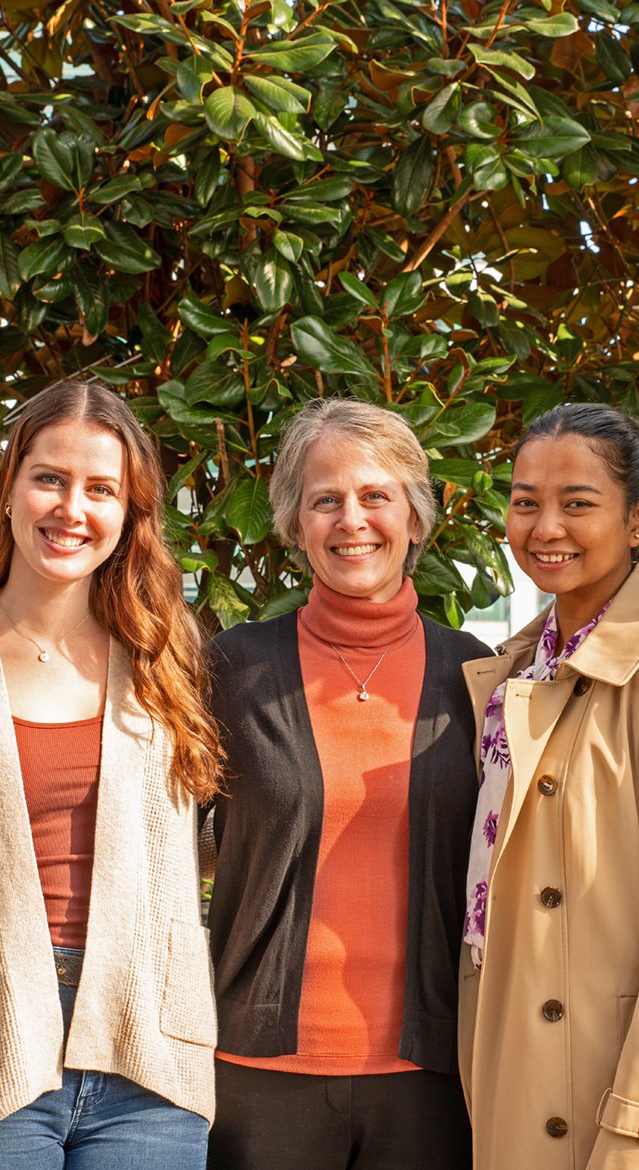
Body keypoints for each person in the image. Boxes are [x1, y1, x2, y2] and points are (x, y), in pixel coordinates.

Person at [0, 378, 222, 1170]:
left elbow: (208, 841)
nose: (72, 509)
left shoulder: (165, 662)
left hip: (145, 1047)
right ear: (10, 489)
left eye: (101, 489)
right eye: (50, 479)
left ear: (128, 515)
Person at [459, 403, 639, 1169]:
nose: (545, 527)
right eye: (526, 502)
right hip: (509, 1070)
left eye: (577, 503)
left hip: (609, 1101)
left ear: (638, 516)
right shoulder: (511, 669)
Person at [205, 398, 488, 1170]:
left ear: (416, 518)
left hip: (429, 1077)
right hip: (256, 1074)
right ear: (295, 525)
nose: (351, 519)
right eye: (325, 499)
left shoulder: (476, 674)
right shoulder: (233, 668)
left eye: (375, 496)